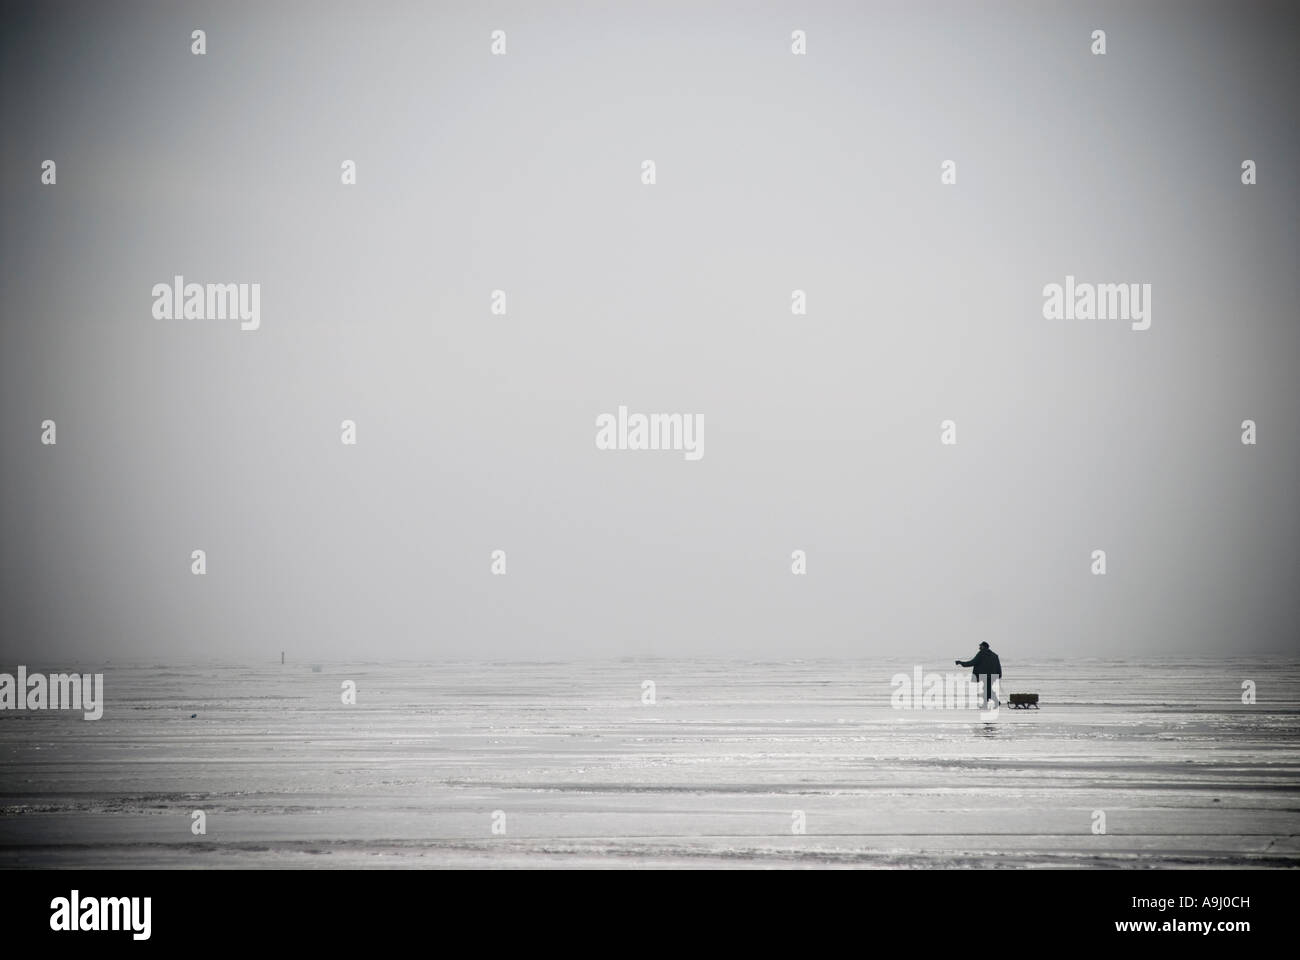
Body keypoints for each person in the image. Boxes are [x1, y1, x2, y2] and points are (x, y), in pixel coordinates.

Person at [956, 642, 1002, 709]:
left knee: (987, 689)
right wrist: (999, 674)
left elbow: (972, 662)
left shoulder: (981, 654)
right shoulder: (994, 655)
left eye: (980, 646)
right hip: (993, 676)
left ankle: (994, 703)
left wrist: (961, 663)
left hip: (985, 675)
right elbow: (998, 666)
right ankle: (988, 704)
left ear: (983, 646)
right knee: (987, 689)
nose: (979, 647)